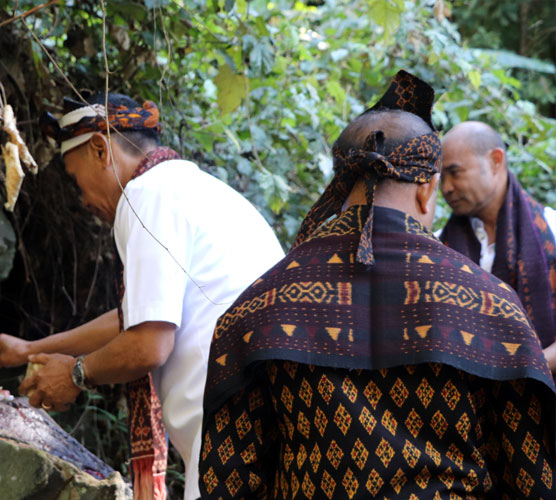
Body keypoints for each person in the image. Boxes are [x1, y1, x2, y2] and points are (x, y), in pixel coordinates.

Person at [199, 71, 556, 499]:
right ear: (427, 189)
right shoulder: (491, 305)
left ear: (341, 183)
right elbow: (532, 479)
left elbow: (229, 481)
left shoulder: (262, 305)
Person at [0, 93, 284, 499]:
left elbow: (147, 344)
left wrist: (75, 374)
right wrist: (31, 349)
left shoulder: (146, 196)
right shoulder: (195, 191)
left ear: (100, 149)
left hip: (236, 443)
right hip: (271, 429)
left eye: (75, 179)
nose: (83, 199)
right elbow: (134, 319)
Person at [438, 121, 556, 369]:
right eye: (442, 177)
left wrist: (527, 368)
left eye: (455, 172)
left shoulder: (551, 230)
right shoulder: (439, 247)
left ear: (495, 161)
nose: (446, 188)